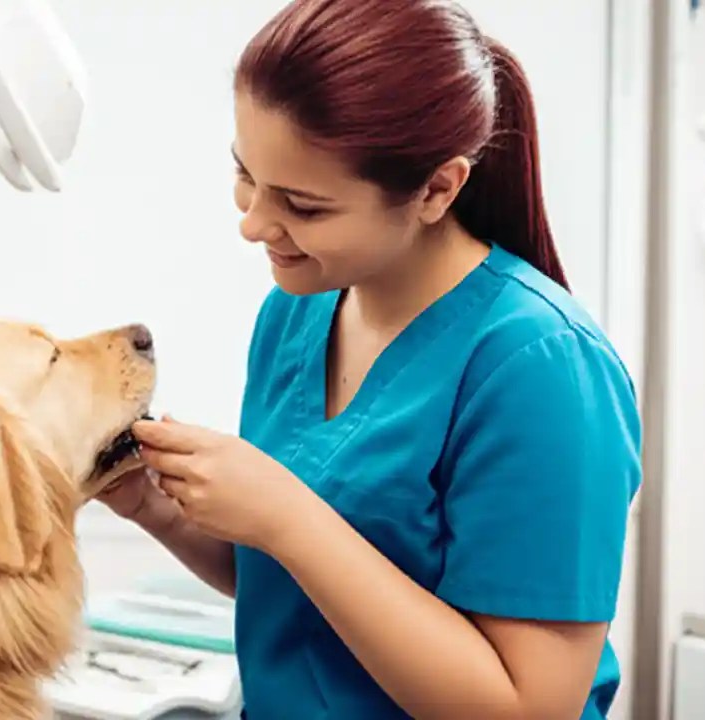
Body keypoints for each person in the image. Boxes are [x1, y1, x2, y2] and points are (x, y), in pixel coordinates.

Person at [100, 1, 642, 718]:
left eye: (302, 205)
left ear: (437, 189)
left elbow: (527, 706)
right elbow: (292, 584)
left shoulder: (540, 368)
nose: (254, 223)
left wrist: (289, 515)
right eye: (245, 176)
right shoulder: (298, 311)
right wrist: (160, 511)